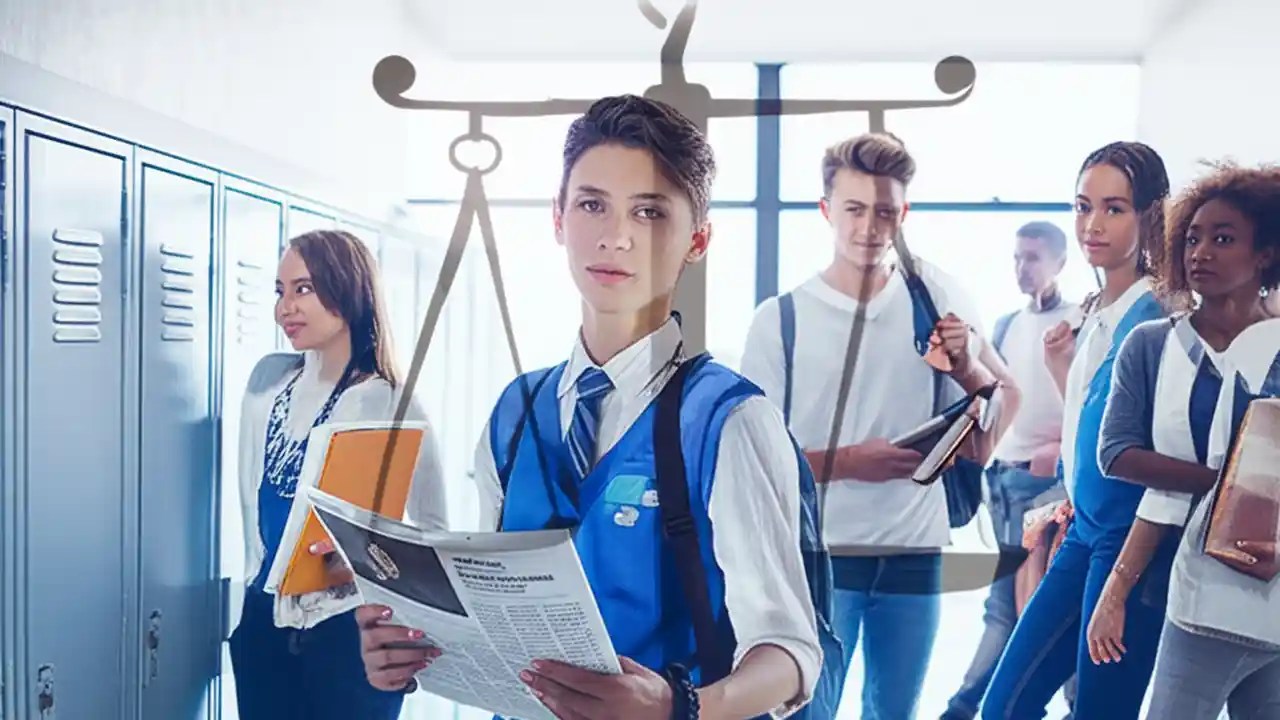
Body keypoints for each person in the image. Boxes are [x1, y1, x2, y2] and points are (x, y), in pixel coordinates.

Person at [356, 95, 833, 720]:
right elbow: (493, 611)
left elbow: (791, 654)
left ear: (698, 239)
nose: (615, 237)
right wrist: (412, 649)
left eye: (650, 211)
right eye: (592, 204)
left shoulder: (728, 421)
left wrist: (678, 706)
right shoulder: (515, 413)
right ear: (558, 217)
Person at [740, 132, 1017, 719]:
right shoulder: (780, 321)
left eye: (885, 212)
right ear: (826, 211)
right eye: (854, 210)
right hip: (820, 553)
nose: (869, 227)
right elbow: (750, 461)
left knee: (894, 712)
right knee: (807, 710)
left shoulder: (935, 296)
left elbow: (995, 418)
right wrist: (846, 462)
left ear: (903, 214)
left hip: (915, 551)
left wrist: (967, 366)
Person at [981, 141, 1172, 719]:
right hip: (1084, 533)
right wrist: (1064, 372)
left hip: (1128, 547)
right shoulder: (1095, 315)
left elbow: (1159, 458)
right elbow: (1098, 429)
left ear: (1151, 215)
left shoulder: (1162, 317)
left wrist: (1120, 584)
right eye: (1083, 205)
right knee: (1005, 707)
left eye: (1114, 208)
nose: (1092, 224)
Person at [228, 229, 449, 720]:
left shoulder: (393, 403)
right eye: (280, 291)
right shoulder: (267, 383)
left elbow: (433, 537)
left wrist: (366, 564)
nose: (286, 307)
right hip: (264, 622)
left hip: (347, 636)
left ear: (347, 291)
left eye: (303, 289)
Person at [1088, 161, 1280, 718]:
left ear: (1264, 253)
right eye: (1193, 238)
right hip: (1199, 589)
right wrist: (1232, 488)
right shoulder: (1152, 344)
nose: (1201, 253)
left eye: (1223, 239)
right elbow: (1120, 457)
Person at [941, 221, 1077, 720]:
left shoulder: (1076, 325)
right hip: (1003, 484)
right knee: (1005, 608)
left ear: (1061, 263)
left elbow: (1089, 408)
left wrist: (1055, 452)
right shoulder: (1005, 325)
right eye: (1018, 257)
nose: (1023, 267)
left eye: (1034, 258)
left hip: (1047, 488)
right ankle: (973, 706)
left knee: (1039, 610)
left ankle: (966, 708)